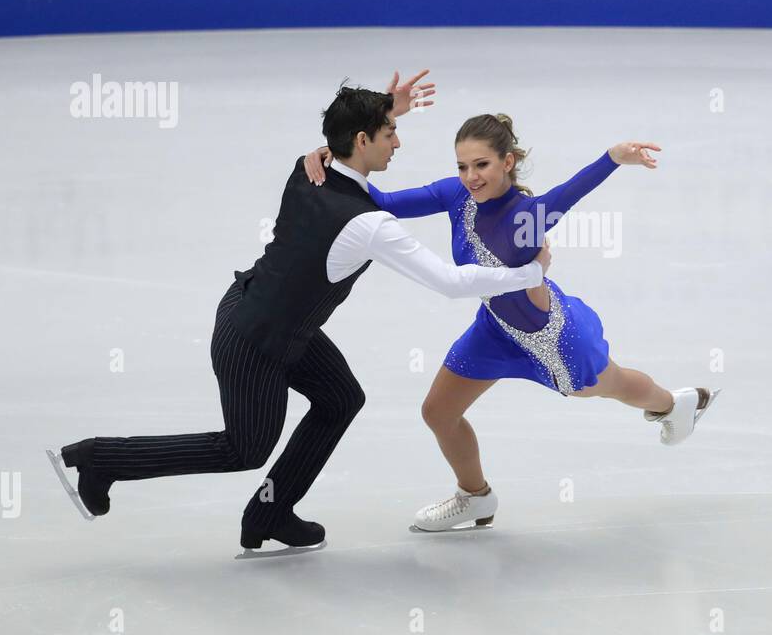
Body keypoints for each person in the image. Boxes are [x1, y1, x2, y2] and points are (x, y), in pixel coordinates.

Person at [49, 73, 552, 555]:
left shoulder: (310, 165)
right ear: (361, 139)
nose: (398, 143)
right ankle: (99, 459)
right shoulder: (369, 223)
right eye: (390, 132)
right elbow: (447, 281)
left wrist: (383, 108)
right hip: (258, 341)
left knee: (340, 398)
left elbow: (328, 148)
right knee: (242, 450)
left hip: (266, 314)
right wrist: (528, 275)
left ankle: (270, 513)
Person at [304, 112, 719, 532]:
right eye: (463, 166)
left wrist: (611, 158)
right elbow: (381, 202)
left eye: (481, 165)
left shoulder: (528, 216)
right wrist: (334, 161)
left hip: (550, 339)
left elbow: (570, 192)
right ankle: (475, 498)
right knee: (438, 412)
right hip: (495, 329)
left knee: (611, 384)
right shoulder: (455, 195)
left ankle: (675, 404)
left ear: (507, 162)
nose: (470, 176)